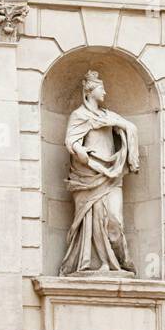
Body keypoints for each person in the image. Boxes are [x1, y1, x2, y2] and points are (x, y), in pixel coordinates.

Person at [60, 70, 139, 276]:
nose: (104, 91)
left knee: (114, 220)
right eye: (101, 88)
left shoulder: (108, 116)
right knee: (93, 219)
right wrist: (81, 152)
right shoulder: (79, 115)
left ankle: (121, 261)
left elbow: (131, 128)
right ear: (90, 90)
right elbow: (71, 141)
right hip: (88, 175)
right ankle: (101, 263)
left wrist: (115, 123)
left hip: (111, 174)